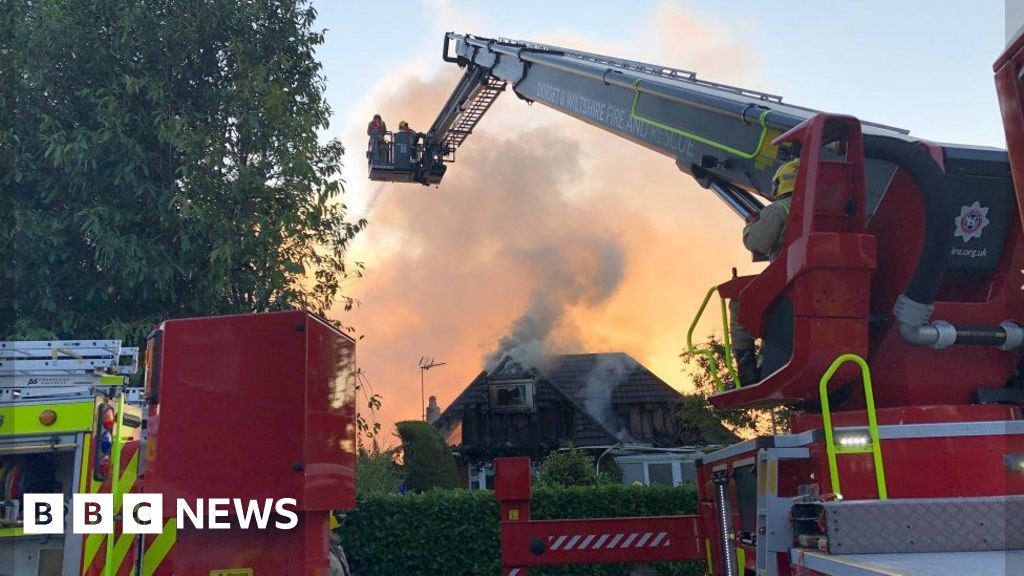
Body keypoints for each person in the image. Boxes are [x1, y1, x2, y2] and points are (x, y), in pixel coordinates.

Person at [730, 158, 799, 386]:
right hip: (825, 286)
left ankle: (747, 373)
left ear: (781, 182)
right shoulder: (831, 208)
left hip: (786, 284)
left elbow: (757, 242)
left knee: (740, 301)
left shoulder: (779, 209)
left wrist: (751, 226)